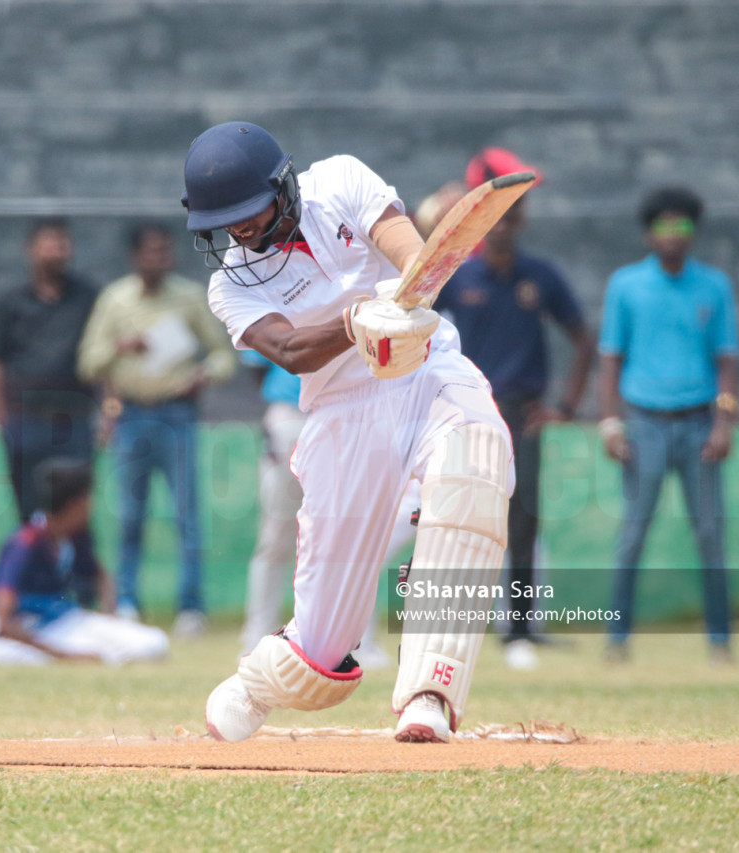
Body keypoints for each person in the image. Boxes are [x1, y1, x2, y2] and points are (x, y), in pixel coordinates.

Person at [183, 121, 514, 743]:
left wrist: (406, 291)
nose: (242, 230)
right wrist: (357, 319)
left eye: (249, 212)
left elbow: (412, 258)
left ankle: (429, 695)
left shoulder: (339, 181)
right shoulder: (228, 285)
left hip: (426, 367)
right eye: (226, 223)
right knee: (321, 650)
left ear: (281, 185)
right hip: (343, 410)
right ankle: (261, 680)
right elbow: (290, 350)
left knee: (478, 458)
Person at [433, 148, 594, 671]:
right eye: (495, 220)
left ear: (520, 222)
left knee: (521, 520)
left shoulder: (539, 276)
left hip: (523, 412)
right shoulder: (460, 275)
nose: (502, 229)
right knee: (458, 516)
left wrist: (565, 405)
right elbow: (418, 324)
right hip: (469, 409)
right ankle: (451, 625)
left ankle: (520, 629)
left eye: (512, 218)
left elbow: (582, 338)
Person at [597, 187, 739, 664]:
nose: (673, 235)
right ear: (648, 232)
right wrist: (610, 423)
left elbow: (727, 362)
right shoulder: (626, 284)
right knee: (633, 533)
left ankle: (720, 641)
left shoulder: (714, 285)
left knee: (710, 533)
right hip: (644, 422)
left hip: (699, 423)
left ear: (693, 232)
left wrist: (724, 423)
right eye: (664, 226)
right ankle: (617, 640)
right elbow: (611, 360)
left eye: (682, 226)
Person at [77, 223, 236, 638]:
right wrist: (120, 347)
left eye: (163, 252)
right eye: (149, 252)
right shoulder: (116, 300)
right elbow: (88, 362)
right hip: (129, 416)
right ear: (134, 256)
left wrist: (203, 375)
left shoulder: (186, 297)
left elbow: (224, 354)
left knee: (186, 515)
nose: (157, 260)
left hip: (177, 415)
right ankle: (127, 601)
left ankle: (191, 608)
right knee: (130, 515)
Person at [238, 349, 404, 669]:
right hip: (291, 415)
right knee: (276, 536)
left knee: (354, 536)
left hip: (349, 414)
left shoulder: (363, 301)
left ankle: (358, 642)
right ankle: (255, 637)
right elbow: (259, 364)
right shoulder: (283, 302)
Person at [0, 465, 170, 666]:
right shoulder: (26, 543)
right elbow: (2, 618)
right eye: (89, 499)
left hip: (67, 622)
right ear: (76, 505)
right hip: (28, 631)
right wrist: (66, 656)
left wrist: (110, 613)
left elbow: (100, 575)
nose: (92, 506)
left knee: (154, 643)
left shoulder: (74, 537)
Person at [0, 218, 100, 521]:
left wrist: (110, 411)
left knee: (74, 512)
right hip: (25, 420)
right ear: (31, 249)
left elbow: (103, 355)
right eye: (48, 243)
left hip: (75, 420)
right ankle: (34, 568)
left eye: (62, 244)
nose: (55, 251)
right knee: (29, 512)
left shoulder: (88, 298)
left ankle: (74, 570)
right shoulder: (10, 302)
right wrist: (0, 419)